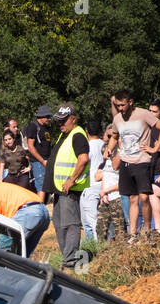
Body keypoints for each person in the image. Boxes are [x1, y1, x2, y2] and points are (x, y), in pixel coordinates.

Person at [111, 89, 160, 242]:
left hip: (142, 161)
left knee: (144, 197)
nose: (120, 109)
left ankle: (147, 231)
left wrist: (155, 148)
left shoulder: (143, 114)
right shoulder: (117, 119)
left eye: (123, 105)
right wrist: (109, 148)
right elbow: (114, 136)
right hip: (126, 163)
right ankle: (133, 234)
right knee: (132, 198)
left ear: (130, 102)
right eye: (118, 106)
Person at [47, 104, 89, 271]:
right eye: (58, 121)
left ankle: (72, 263)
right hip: (60, 189)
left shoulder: (77, 135)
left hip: (69, 190)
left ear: (73, 119)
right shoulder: (65, 134)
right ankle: (68, 259)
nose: (60, 124)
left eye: (63, 121)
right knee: (58, 224)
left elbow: (83, 159)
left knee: (70, 224)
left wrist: (72, 179)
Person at [95, 127, 126, 241]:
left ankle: (120, 253)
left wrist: (106, 191)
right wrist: (103, 194)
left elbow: (122, 183)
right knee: (100, 228)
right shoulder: (107, 160)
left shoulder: (121, 160)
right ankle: (100, 252)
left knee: (119, 231)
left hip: (117, 198)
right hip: (105, 198)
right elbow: (103, 178)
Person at [24, 106, 52, 202]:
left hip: (46, 161)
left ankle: (43, 206)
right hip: (38, 162)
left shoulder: (46, 128)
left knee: (46, 186)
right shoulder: (33, 127)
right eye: (47, 117)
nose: (49, 119)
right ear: (41, 117)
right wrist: (42, 161)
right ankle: (40, 208)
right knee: (41, 186)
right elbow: (31, 147)